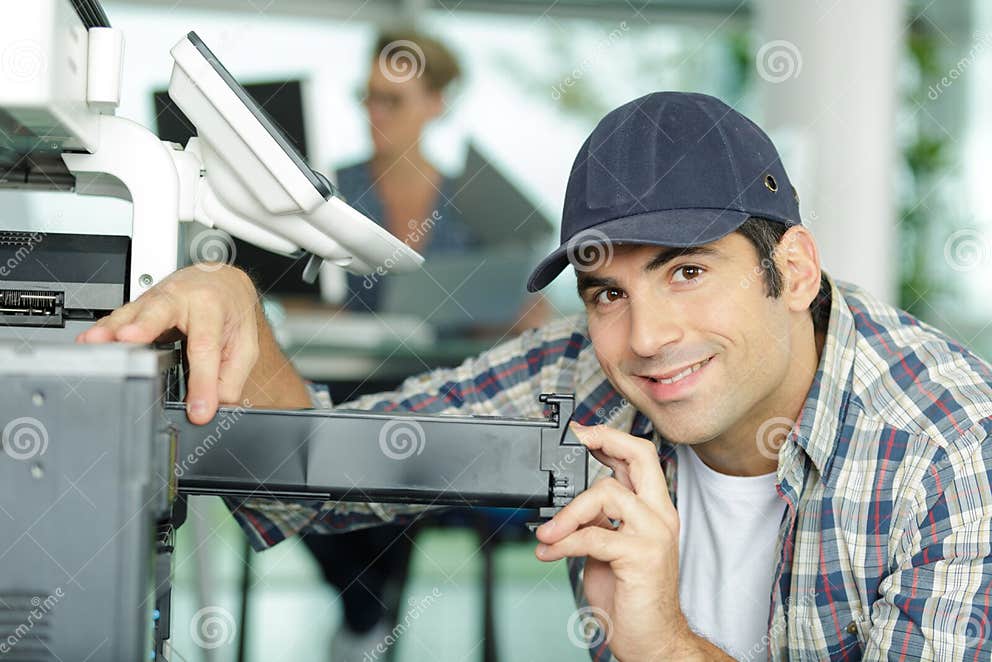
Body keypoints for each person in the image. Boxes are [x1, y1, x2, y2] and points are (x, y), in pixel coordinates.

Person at [77, 92, 992, 661]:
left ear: (793, 271)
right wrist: (242, 311)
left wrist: (663, 646)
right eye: (607, 292)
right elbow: (317, 475)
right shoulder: (582, 372)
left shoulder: (950, 452)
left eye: (686, 271)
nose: (647, 339)